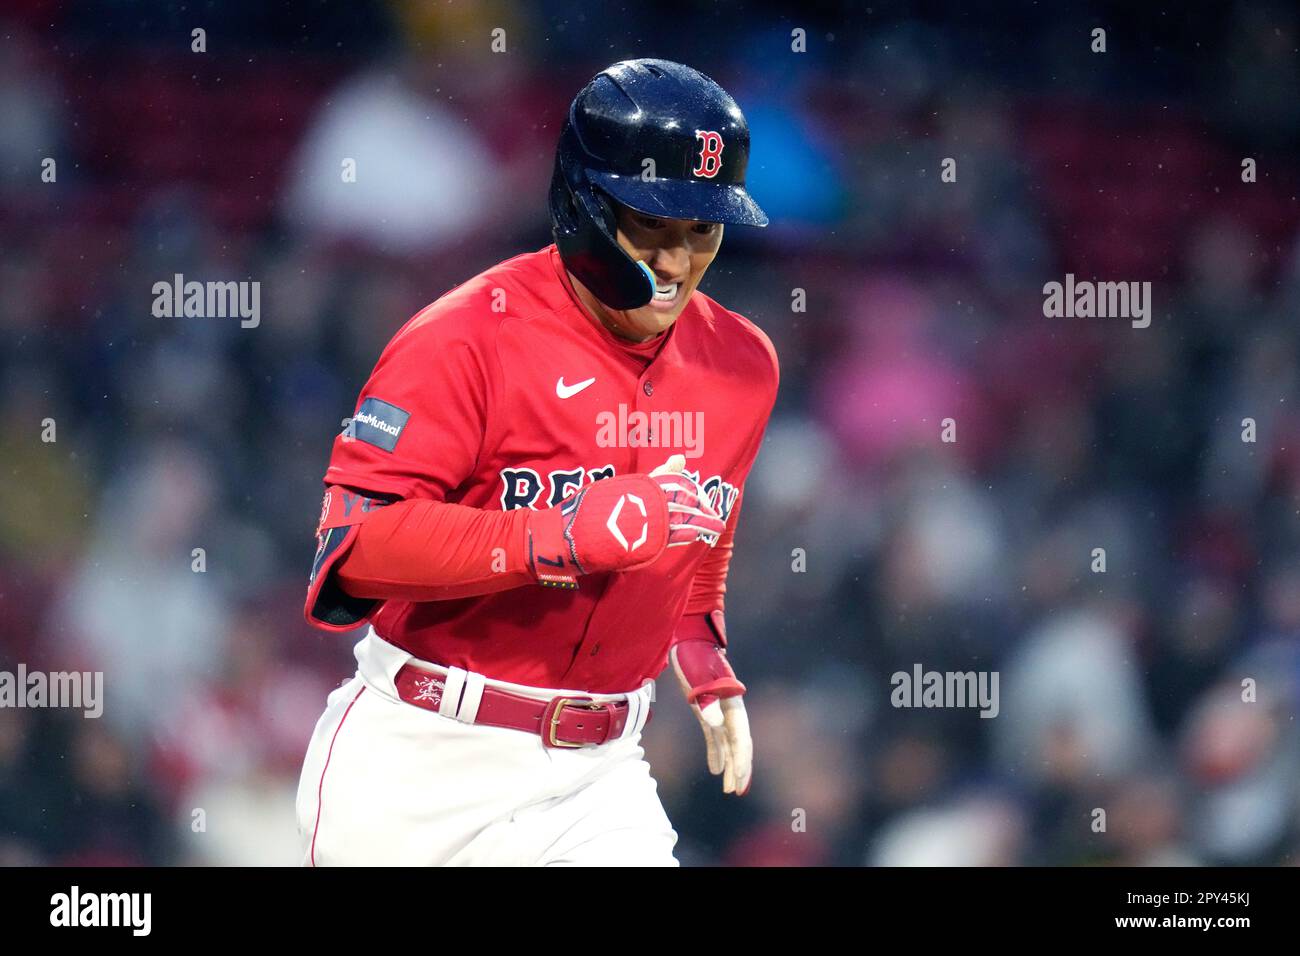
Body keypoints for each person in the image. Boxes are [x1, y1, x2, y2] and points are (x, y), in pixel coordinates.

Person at [295, 58, 778, 866]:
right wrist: (552, 536)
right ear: (583, 207)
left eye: (701, 229)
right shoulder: (464, 337)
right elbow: (354, 551)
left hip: (599, 777)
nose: (677, 259)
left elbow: (701, 526)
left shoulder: (741, 364)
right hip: (423, 760)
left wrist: (699, 649)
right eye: (650, 222)